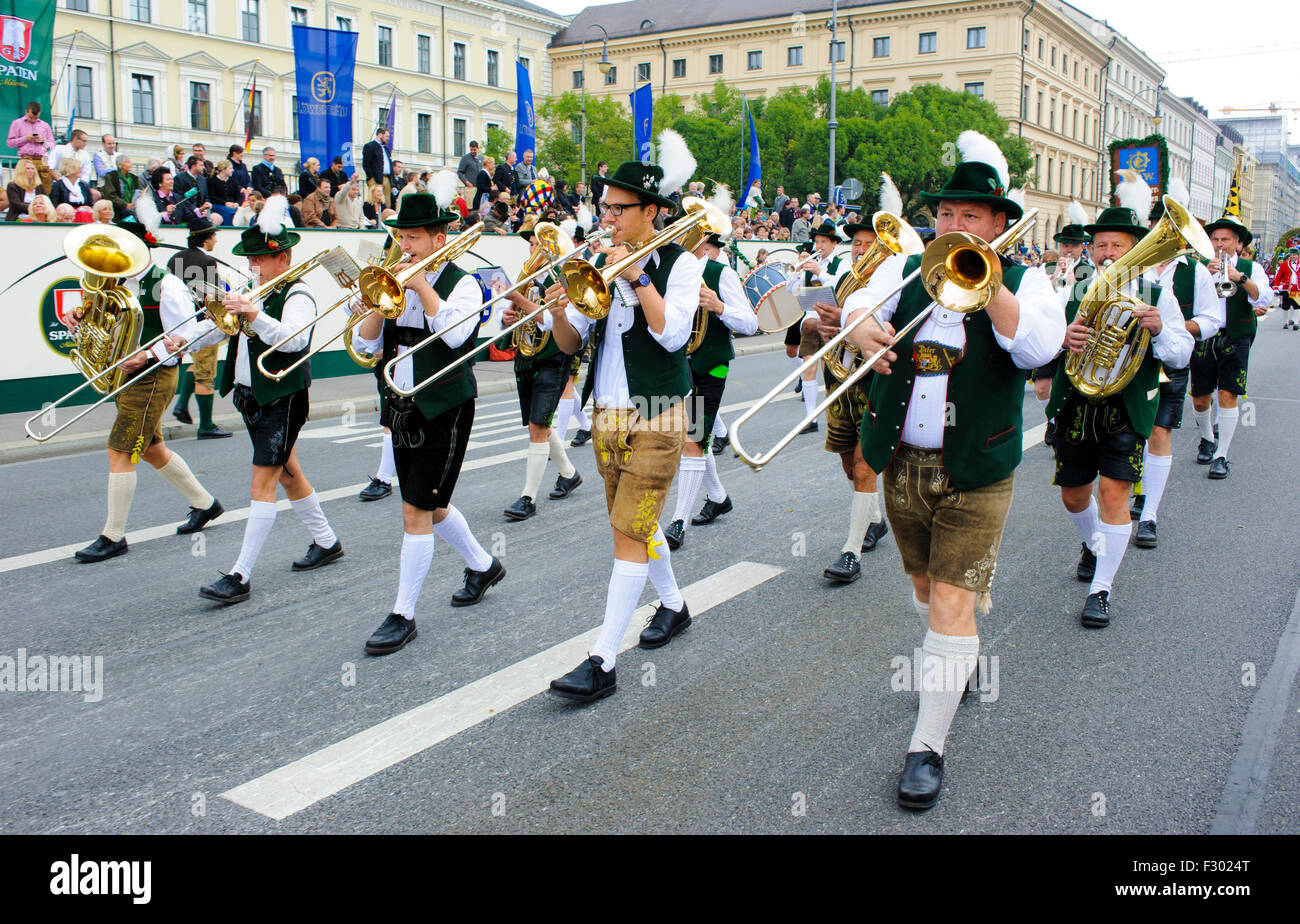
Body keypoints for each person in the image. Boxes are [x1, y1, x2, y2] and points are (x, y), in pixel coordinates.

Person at [842, 131, 1064, 810]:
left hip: (976, 467)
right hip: (901, 461)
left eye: (971, 217)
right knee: (922, 586)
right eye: (946, 215)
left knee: (950, 597)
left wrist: (985, 279)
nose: (954, 226)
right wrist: (858, 328)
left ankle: (926, 747)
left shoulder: (1029, 280)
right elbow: (856, 302)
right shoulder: (907, 266)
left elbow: (1040, 348)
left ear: (1000, 224)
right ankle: (955, 654)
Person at [539, 158, 702, 702]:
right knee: (636, 522)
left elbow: (672, 335)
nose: (607, 216)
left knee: (628, 532)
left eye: (618, 208)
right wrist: (559, 312)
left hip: (658, 412)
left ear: (651, 211)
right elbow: (568, 345)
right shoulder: (596, 262)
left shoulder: (680, 264)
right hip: (606, 415)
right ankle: (674, 605)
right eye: (605, 206)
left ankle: (603, 659)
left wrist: (638, 276)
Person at [351, 192, 506, 655]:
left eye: (413, 237)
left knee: (416, 509)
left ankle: (403, 615)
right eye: (401, 236)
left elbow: (457, 335)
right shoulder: (394, 277)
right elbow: (365, 344)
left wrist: (420, 285)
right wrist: (379, 302)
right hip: (400, 401)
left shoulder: (464, 284)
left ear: (439, 239)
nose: (405, 245)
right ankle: (482, 565)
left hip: (444, 405)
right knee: (428, 504)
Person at [1046, 173, 1193, 630]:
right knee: (1074, 497)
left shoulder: (1156, 293)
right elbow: (1037, 343)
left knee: (1114, 494)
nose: (1108, 253)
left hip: (1126, 407)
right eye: (1102, 246)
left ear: (1135, 248)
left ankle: (1101, 589)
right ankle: (1095, 544)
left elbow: (1181, 353)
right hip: (1077, 404)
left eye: (1118, 246)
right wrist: (1060, 339)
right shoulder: (1072, 290)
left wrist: (1159, 329)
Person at [198, 197, 344, 605]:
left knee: (262, 481)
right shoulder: (253, 289)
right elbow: (220, 329)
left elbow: (295, 339)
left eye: (259, 259)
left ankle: (240, 575)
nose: (252, 267)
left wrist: (253, 314)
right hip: (250, 395)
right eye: (250, 260)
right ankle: (327, 541)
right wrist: (180, 341)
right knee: (287, 473)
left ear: (282, 257)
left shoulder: (299, 293)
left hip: (282, 394)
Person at [64, 212, 225, 563]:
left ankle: (113, 536)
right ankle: (206, 504)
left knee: (120, 450)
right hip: (126, 376)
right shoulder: (110, 281)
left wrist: (145, 355)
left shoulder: (165, 284)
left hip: (153, 376)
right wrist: (78, 320)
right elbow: (99, 323)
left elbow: (185, 336)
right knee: (150, 448)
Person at [1129, 192, 1222, 547]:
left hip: (1169, 356)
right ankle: (1138, 490)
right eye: (1159, 226)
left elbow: (1213, 319)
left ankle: (1149, 514)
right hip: (1131, 359)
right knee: (1133, 431)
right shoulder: (1137, 265)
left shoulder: (1195, 271)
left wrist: (1175, 328)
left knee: (1159, 432)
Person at [811, 208, 893, 584]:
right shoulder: (844, 279)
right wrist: (826, 324)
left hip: (873, 384)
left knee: (864, 467)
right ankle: (874, 520)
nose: (861, 250)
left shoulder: (898, 285)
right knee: (849, 467)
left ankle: (851, 551)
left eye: (869, 244)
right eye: (857, 244)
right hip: (839, 380)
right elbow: (821, 326)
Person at [662, 230, 756, 550]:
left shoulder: (721, 273)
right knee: (690, 437)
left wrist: (719, 306)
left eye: (690, 238)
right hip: (678, 364)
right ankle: (717, 497)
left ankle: (678, 523)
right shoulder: (673, 273)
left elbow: (750, 323)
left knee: (691, 440)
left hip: (710, 365)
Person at [495, 225, 583, 522]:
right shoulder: (529, 280)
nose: (534, 252)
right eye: (532, 245)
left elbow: (551, 319)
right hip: (527, 357)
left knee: (537, 425)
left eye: (539, 246)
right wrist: (509, 316)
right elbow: (517, 317)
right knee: (539, 425)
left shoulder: (565, 281)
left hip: (554, 358)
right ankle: (569, 474)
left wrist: (519, 301)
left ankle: (528, 497)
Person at [1188, 211, 1274, 479]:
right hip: (1205, 337)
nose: (1219, 244)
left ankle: (1221, 455)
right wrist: (1203, 273)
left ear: (1238, 244)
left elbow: (1264, 299)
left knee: (1228, 394)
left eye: (1225, 239)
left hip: (1236, 336)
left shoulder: (1251, 268)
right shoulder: (1199, 266)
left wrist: (1240, 278)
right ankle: (1206, 438)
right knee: (1201, 399)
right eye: (1215, 239)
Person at [1034, 203, 1092, 446]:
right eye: (1065, 244)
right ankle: (1053, 417)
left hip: (1076, 332)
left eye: (1073, 245)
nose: (1068, 249)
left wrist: (1070, 283)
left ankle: (1060, 418)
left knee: (1071, 385)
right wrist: (1049, 281)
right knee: (1041, 388)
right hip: (1052, 332)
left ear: (1082, 247)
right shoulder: (1047, 267)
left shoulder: (1089, 271)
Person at [169, 216, 232, 440]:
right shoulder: (208, 262)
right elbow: (213, 296)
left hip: (180, 324)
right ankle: (206, 424)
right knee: (206, 372)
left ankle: (181, 403)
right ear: (207, 239)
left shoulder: (174, 258)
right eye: (214, 236)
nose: (215, 240)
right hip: (203, 323)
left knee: (198, 365)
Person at [7, 101, 54, 193]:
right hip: (26, 158)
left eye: (36, 118)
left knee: (45, 188)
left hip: (42, 159)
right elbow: (10, 143)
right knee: (25, 186)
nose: (33, 120)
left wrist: (42, 141)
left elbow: (52, 145)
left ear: (39, 113)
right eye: (31, 117)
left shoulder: (44, 125)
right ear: (26, 111)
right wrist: (25, 139)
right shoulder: (17, 123)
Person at [362, 128, 393, 205]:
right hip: (375, 179)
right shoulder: (370, 146)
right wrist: (371, 177)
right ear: (380, 135)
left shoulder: (385, 148)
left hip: (386, 178)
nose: (388, 139)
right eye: (386, 136)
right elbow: (366, 163)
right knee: (375, 200)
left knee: (386, 201)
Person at [208, 160, 242, 226]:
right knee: (227, 211)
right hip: (218, 205)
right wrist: (225, 203)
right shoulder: (212, 181)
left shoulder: (233, 181)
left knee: (240, 211)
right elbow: (212, 196)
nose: (232, 170)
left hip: (232, 205)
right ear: (223, 169)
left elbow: (239, 196)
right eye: (230, 168)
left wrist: (237, 203)